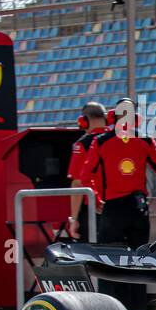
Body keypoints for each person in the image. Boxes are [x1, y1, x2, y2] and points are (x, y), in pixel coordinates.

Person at [79, 98, 156, 310]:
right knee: (139, 262)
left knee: (108, 262)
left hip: (112, 208)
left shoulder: (101, 141)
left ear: (112, 117)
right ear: (135, 117)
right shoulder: (145, 140)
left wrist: (96, 198)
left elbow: (85, 176)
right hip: (138, 209)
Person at [67, 101, 110, 241]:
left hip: (93, 210)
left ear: (84, 121)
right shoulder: (119, 139)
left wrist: (73, 219)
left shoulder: (83, 144)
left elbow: (77, 184)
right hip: (120, 206)